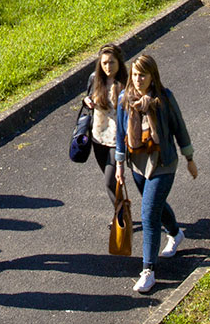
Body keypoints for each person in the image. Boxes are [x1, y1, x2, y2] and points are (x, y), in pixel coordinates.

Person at [113, 53, 196, 295]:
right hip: (137, 163)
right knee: (156, 206)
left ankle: (148, 271)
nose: (138, 80)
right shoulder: (124, 100)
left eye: (143, 75)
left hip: (163, 162)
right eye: (135, 75)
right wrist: (119, 166)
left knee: (148, 213)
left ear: (153, 76)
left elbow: (180, 128)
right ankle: (175, 233)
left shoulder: (164, 98)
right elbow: (120, 134)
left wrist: (189, 158)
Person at [82, 43, 128, 210]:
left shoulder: (126, 82)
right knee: (113, 181)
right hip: (98, 137)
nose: (108, 67)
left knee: (109, 181)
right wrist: (86, 101)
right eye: (105, 63)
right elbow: (88, 97)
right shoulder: (95, 79)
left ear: (119, 63)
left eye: (112, 63)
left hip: (117, 140)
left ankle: (121, 214)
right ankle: (122, 210)